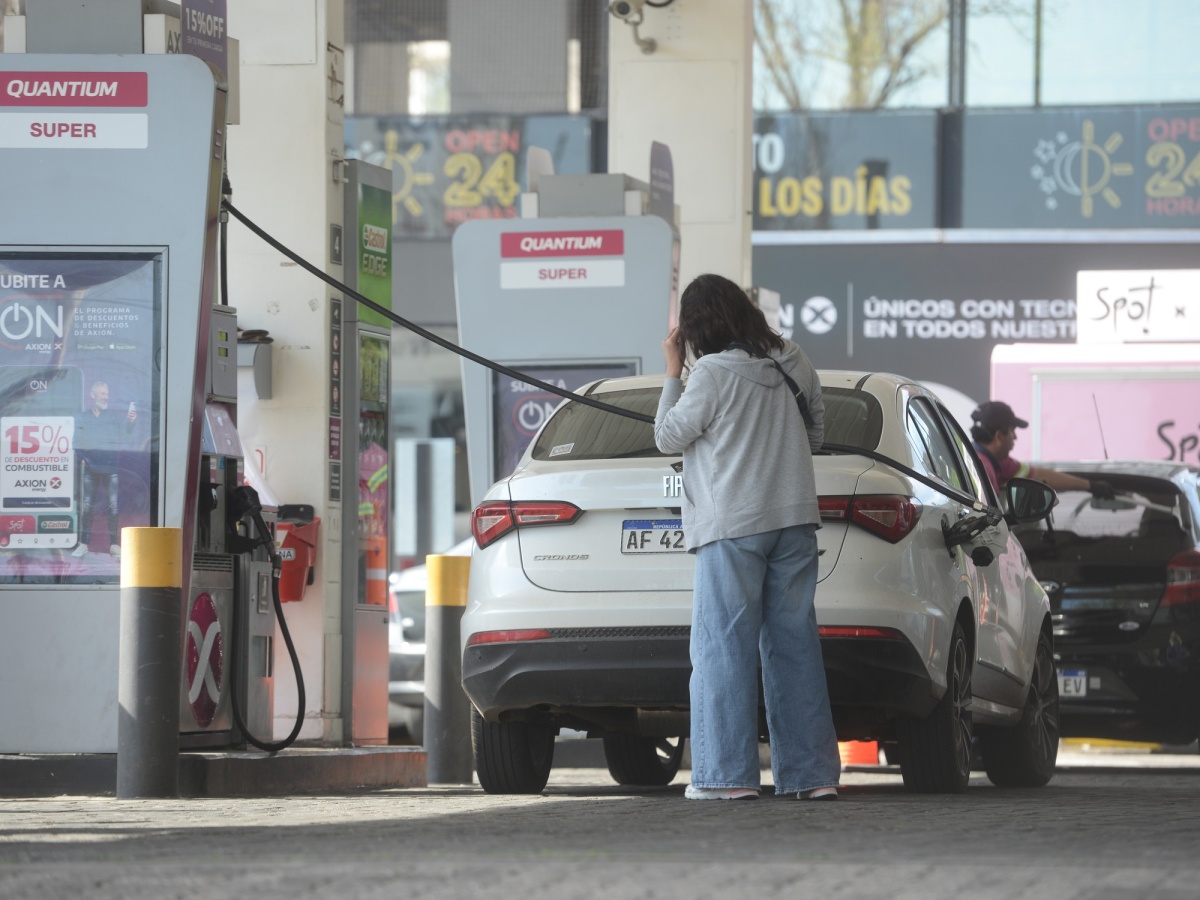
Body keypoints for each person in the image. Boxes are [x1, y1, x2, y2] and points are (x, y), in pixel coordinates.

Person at [654, 273, 841, 802]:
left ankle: (725, 778)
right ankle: (811, 777)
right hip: (794, 519)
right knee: (795, 647)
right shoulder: (793, 360)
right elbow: (815, 436)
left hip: (732, 525)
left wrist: (673, 370)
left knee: (722, 649)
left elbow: (667, 435)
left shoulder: (710, 373)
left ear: (695, 328)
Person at [970, 400, 1114, 499]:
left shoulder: (995, 462)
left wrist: (1090, 486)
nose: (1016, 438)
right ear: (999, 436)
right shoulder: (982, 469)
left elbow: (1038, 475)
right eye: (1013, 431)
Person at [72, 381, 137, 559]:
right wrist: (82, 460)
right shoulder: (82, 417)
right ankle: (84, 544)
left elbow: (126, 435)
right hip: (90, 468)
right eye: (102, 394)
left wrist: (130, 422)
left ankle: (114, 545)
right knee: (87, 507)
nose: (106, 397)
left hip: (111, 467)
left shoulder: (113, 417)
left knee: (113, 507)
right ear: (92, 395)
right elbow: (76, 442)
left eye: (107, 394)